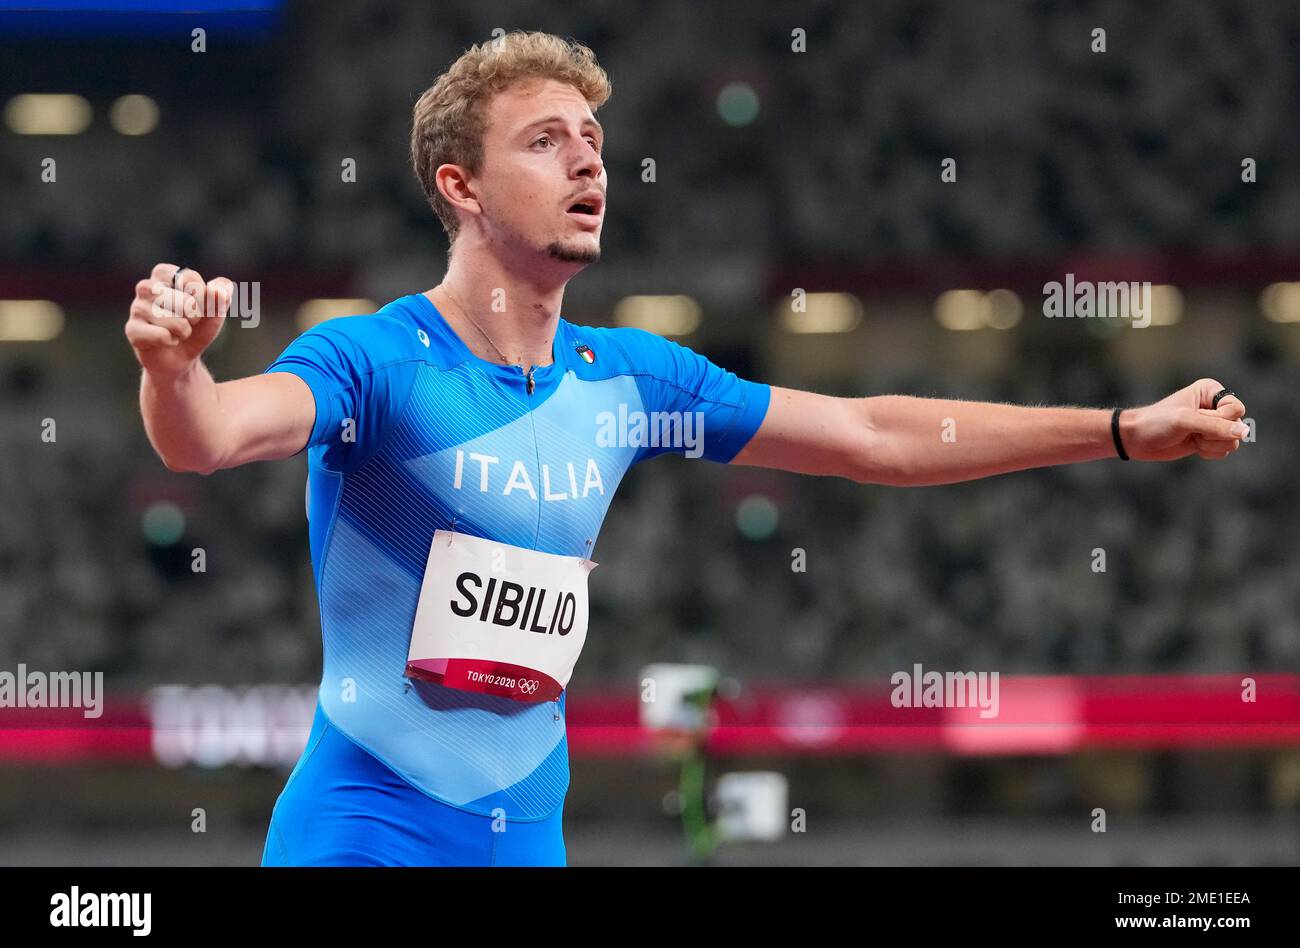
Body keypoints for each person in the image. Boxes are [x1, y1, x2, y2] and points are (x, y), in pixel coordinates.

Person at [124, 31, 1249, 866]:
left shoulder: (630, 378)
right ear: (458, 186)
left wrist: (1113, 429)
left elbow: (871, 436)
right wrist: (175, 368)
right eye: (546, 141)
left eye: (595, 143)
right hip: (358, 828)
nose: (589, 165)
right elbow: (211, 438)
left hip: (527, 831)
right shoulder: (373, 360)